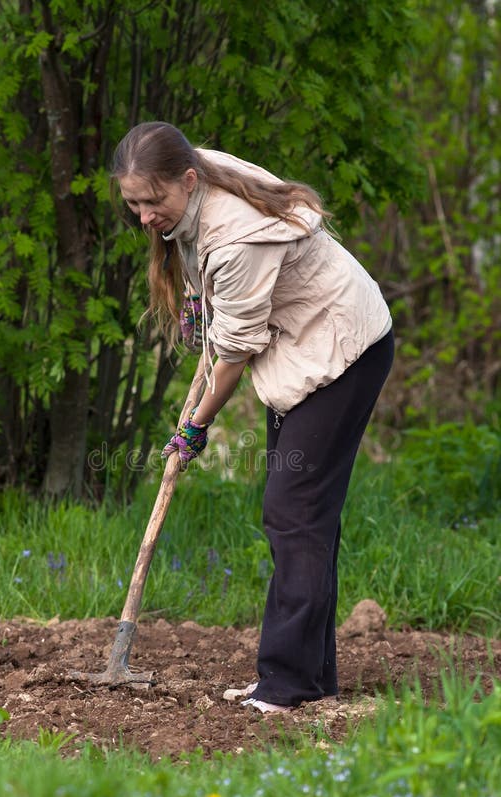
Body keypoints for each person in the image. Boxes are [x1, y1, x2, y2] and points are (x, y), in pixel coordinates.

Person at [112, 121, 394, 714]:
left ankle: (287, 685)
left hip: (340, 352)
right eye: (132, 203)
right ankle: (310, 681)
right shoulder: (195, 177)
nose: (143, 216)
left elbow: (234, 356)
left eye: (152, 201)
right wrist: (197, 301)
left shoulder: (236, 238)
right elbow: (198, 262)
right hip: (305, 349)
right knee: (305, 515)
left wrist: (194, 427)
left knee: (292, 512)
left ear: (187, 181)